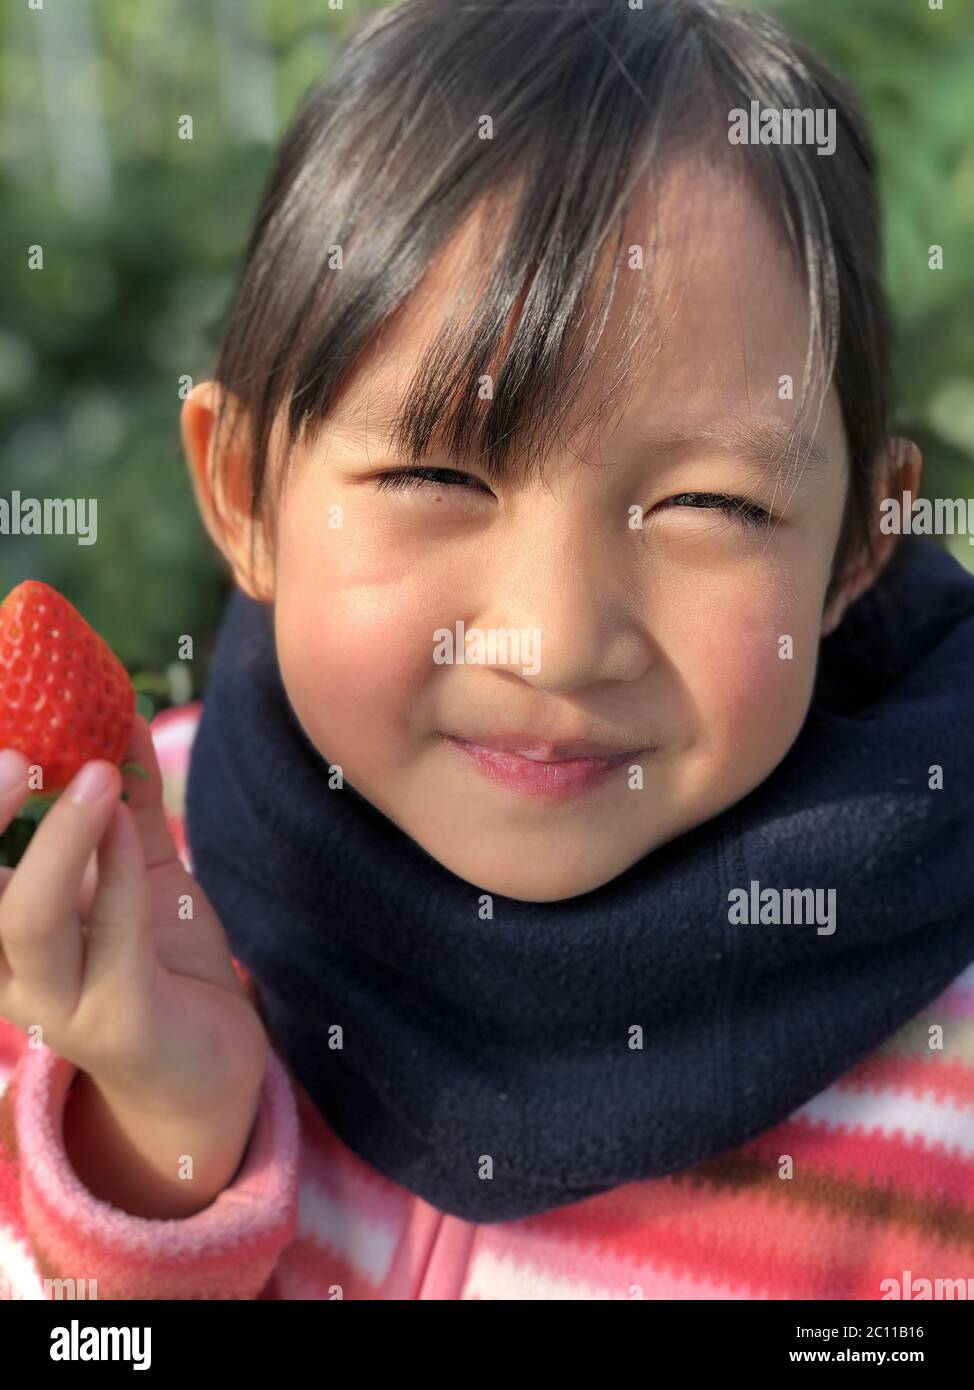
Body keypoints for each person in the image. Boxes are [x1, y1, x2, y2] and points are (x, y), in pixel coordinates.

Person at [2, 0, 973, 1301]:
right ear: (240, 489)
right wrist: (159, 1132)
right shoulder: (98, 904)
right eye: (433, 473)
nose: (556, 643)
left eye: (708, 507)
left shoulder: (944, 1072)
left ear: (858, 542)